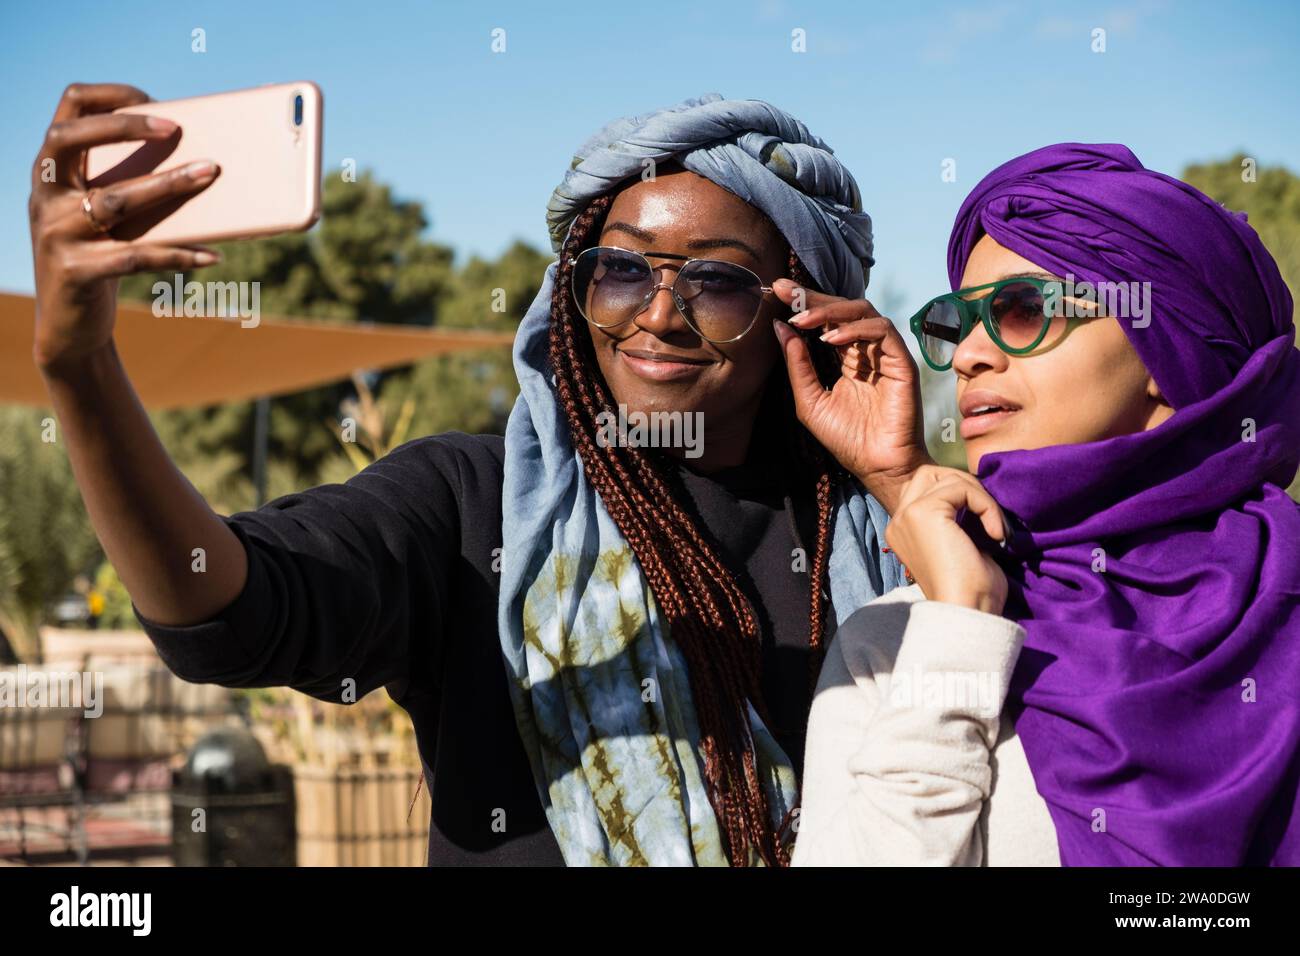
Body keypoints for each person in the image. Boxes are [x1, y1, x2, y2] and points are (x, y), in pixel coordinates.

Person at [28, 85, 930, 866]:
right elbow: (224, 613)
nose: (658, 314)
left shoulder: (883, 532)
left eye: (717, 284)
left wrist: (900, 481)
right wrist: (82, 368)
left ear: (805, 307)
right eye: (618, 271)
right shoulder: (473, 506)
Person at [793, 143, 1300, 867]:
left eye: (1022, 311)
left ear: (1168, 349)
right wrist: (961, 622)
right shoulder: (904, 637)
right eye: (957, 322)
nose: (968, 354)